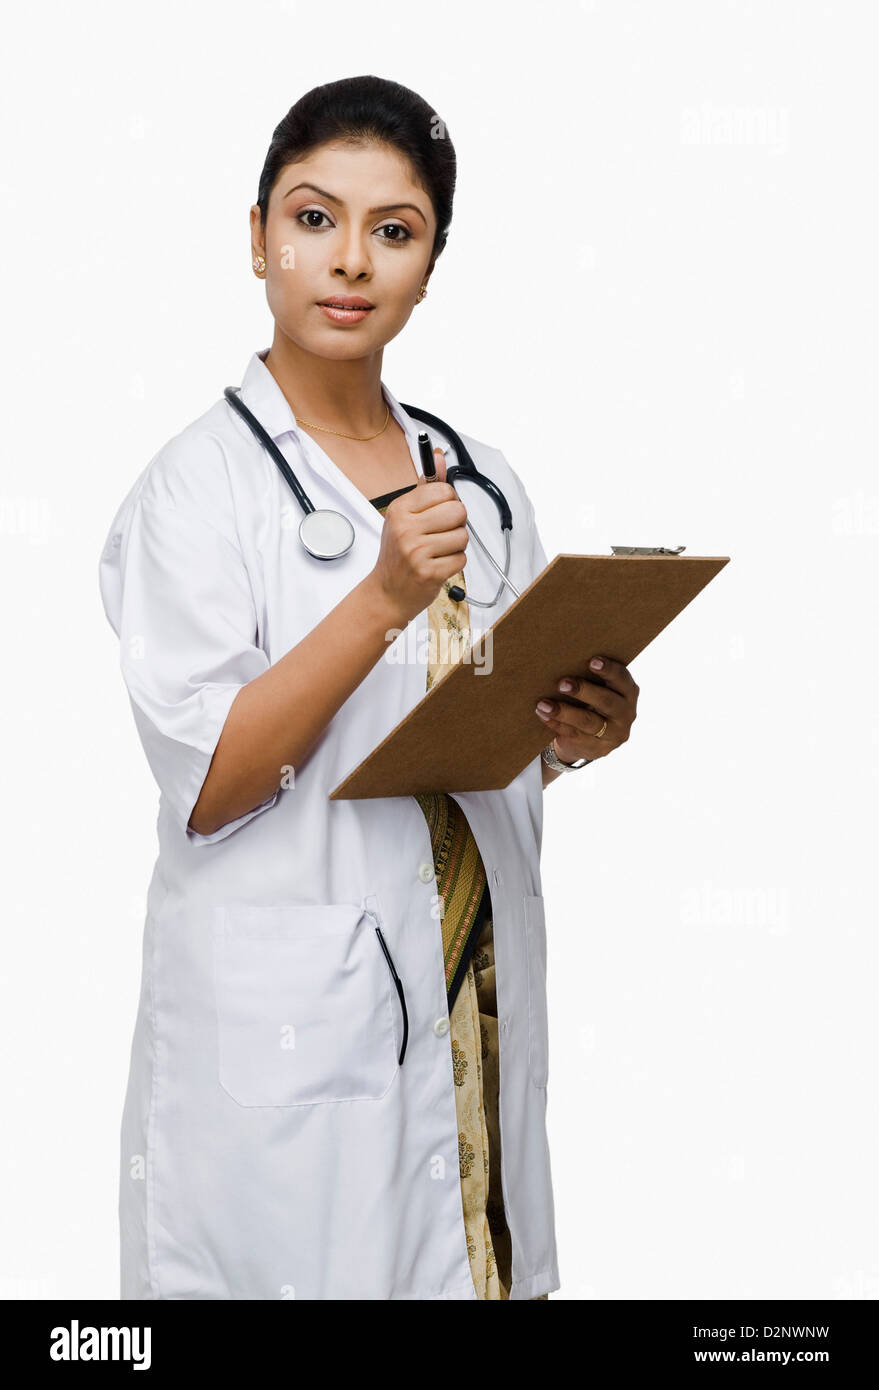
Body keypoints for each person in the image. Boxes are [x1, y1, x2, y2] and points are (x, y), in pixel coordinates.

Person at [98, 74, 640, 1301]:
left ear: (432, 262)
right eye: (312, 219)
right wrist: (383, 595)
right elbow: (216, 777)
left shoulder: (481, 481)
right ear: (256, 239)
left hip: (469, 1010)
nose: (350, 262)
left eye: (394, 231)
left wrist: (579, 727)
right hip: (288, 1061)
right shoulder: (199, 489)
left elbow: (492, 719)